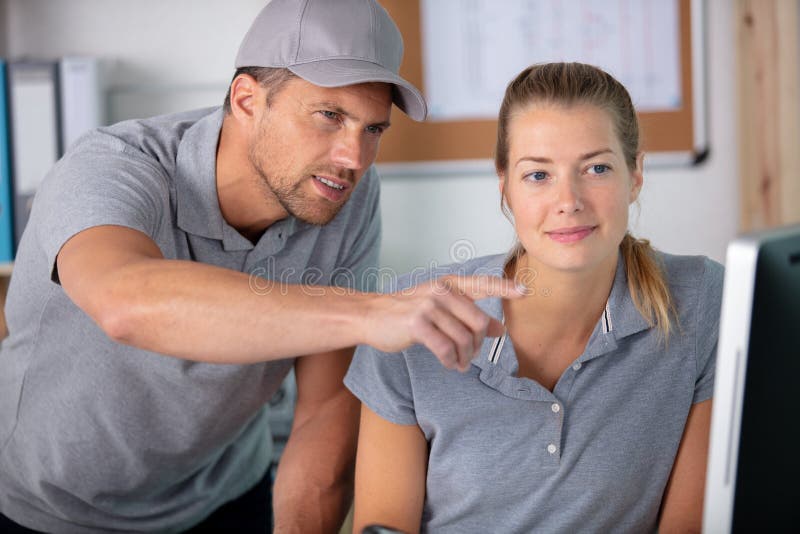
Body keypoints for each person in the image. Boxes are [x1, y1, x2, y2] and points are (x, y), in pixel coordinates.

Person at [0, 1, 521, 532]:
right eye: (330, 116)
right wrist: (371, 312)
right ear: (247, 99)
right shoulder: (113, 167)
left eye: (373, 130)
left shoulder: (345, 197)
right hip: (49, 508)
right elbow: (125, 302)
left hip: (224, 493)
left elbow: (324, 412)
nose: (355, 158)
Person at [345, 62, 725, 533]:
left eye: (597, 168)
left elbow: (691, 523)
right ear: (503, 183)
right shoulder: (409, 319)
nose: (569, 200)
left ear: (636, 174)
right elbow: (384, 525)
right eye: (538, 175)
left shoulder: (701, 301)